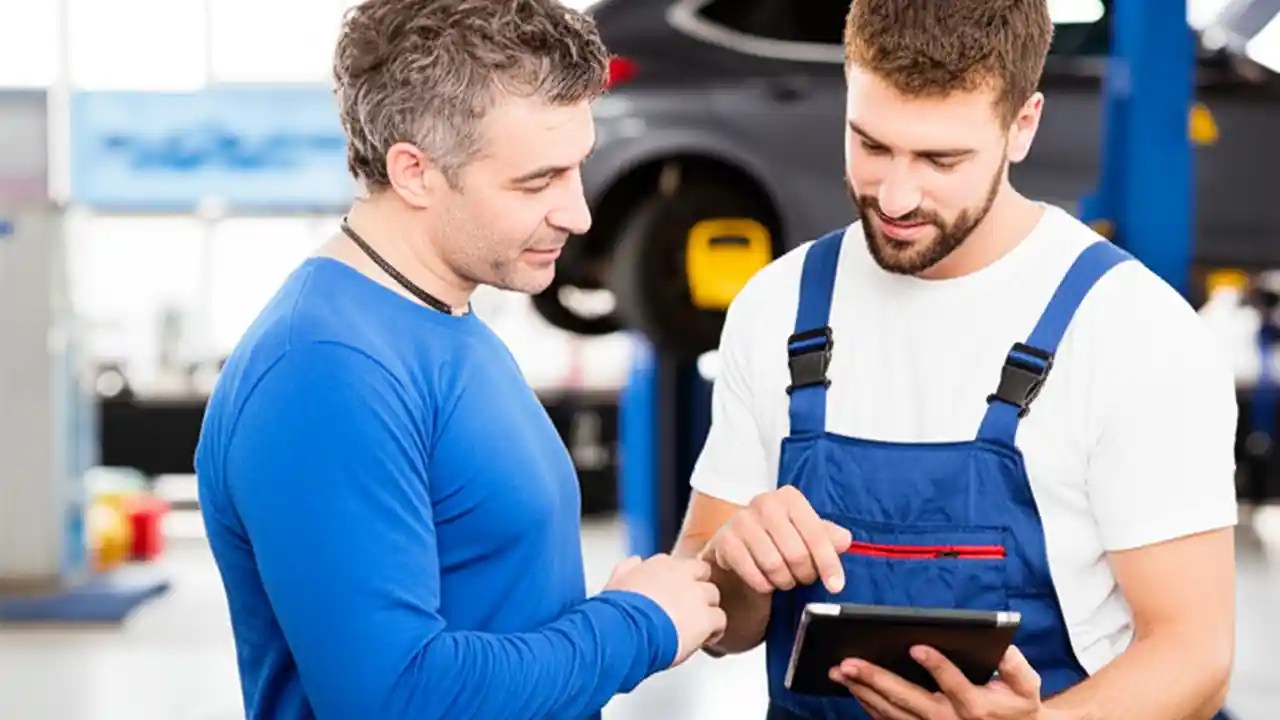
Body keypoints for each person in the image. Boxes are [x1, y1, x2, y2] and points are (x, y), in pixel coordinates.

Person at [674, 1, 1239, 719]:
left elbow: (1195, 655)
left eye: (940, 160)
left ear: (1022, 125)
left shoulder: (1131, 328)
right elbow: (717, 615)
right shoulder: (777, 305)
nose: (896, 196)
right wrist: (731, 566)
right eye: (871, 144)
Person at [194, 1, 725, 718]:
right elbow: (394, 697)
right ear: (414, 172)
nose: (579, 214)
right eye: (537, 182)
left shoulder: (445, 318)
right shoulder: (324, 371)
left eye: (578, 168)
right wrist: (637, 626)